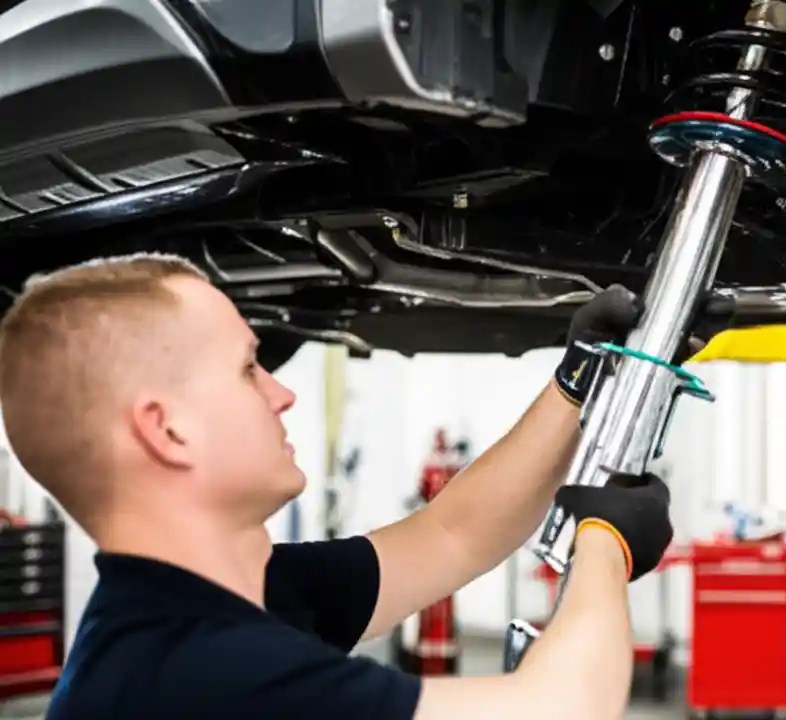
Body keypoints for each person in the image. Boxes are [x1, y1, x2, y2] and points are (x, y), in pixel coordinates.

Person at [0, 253, 678, 719]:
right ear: (167, 430)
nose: (283, 392)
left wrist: (578, 383)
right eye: (247, 370)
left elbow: (451, 534)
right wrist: (606, 543)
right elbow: (558, 707)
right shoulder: (193, 675)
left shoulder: (222, 599)